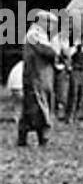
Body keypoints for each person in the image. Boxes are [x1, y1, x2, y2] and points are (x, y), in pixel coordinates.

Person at [17, 11, 59, 147]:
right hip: (37, 78)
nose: (51, 26)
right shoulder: (34, 35)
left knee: (31, 108)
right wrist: (56, 46)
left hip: (39, 77)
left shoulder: (37, 35)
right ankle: (43, 138)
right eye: (50, 23)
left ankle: (24, 138)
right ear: (42, 21)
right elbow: (48, 52)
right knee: (40, 107)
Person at [62, 41, 83, 124]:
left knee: (80, 95)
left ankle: (75, 116)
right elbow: (68, 57)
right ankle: (69, 116)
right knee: (73, 94)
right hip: (75, 72)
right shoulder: (73, 50)